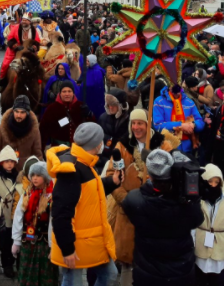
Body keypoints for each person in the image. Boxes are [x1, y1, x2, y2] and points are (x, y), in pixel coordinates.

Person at [47, 122, 119, 286]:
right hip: (74, 244)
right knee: (73, 282)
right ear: (96, 144)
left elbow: (90, 192)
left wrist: (111, 182)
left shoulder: (85, 164)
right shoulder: (72, 171)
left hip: (89, 241)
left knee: (110, 275)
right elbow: (60, 214)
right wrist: (67, 249)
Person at [121, 149, 203, 286]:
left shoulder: (134, 201)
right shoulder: (186, 204)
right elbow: (198, 220)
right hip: (180, 275)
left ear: (150, 176)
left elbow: (128, 206)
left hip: (148, 275)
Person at [105, 108, 149, 286]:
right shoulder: (122, 146)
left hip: (150, 209)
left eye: (140, 123)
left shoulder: (160, 144)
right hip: (126, 210)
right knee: (126, 261)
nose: (136, 127)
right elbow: (111, 174)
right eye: (134, 123)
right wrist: (125, 200)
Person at [11, 161, 57, 286]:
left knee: (45, 274)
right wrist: (16, 240)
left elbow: (54, 221)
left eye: (39, 175)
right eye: (33, 175)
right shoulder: (27, 193)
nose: (35, 178)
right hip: (28, 241)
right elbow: (18, 217)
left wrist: (53, 245)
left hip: (44, 243)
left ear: (46, 177)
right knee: (27, 274)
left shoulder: (51, 195)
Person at [193, 164, 224, 286]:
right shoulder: (198, 201)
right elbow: (192, 227)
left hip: (219, 249)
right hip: (200, 248)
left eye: (216, 182)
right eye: (210, 182)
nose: (213, 185)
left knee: (217, 280)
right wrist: (190, 248)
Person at [0, 96, 43, 172]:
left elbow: (37, 154)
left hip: (23, 173)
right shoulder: (4, 126)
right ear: (13, 111)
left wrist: (40, 174)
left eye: (22, 112)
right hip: (4, 172)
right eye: (16, 112)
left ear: (27, 113)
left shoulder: (33, 129)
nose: (19, 115)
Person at [0, 146, 20, 278]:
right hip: (0, 217)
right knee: (0, 242)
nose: (10, 164)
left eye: (12, 161)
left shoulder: (17, 177)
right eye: (7, 161)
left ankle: (8, 264)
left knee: (10, 241)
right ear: (1, 162)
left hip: (13, 216)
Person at [152, 83, 204, 156]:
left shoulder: (189, 102)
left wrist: (193, 125)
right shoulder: (159, 101)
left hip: (188, 149)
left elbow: (200, 122)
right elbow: (158, 126)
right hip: (167, 149)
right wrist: (181, 125)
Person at [40, 81, 93, 149]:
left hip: (78, 149)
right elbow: (43, 130)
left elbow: (91, 126)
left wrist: (90, 115)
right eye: (64, 91)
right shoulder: (52, 108)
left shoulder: (80, 106)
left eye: (69, 91)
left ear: (73, 93)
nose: (67, 94)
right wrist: (41, 150)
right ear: (60, 93)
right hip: (58, 148)